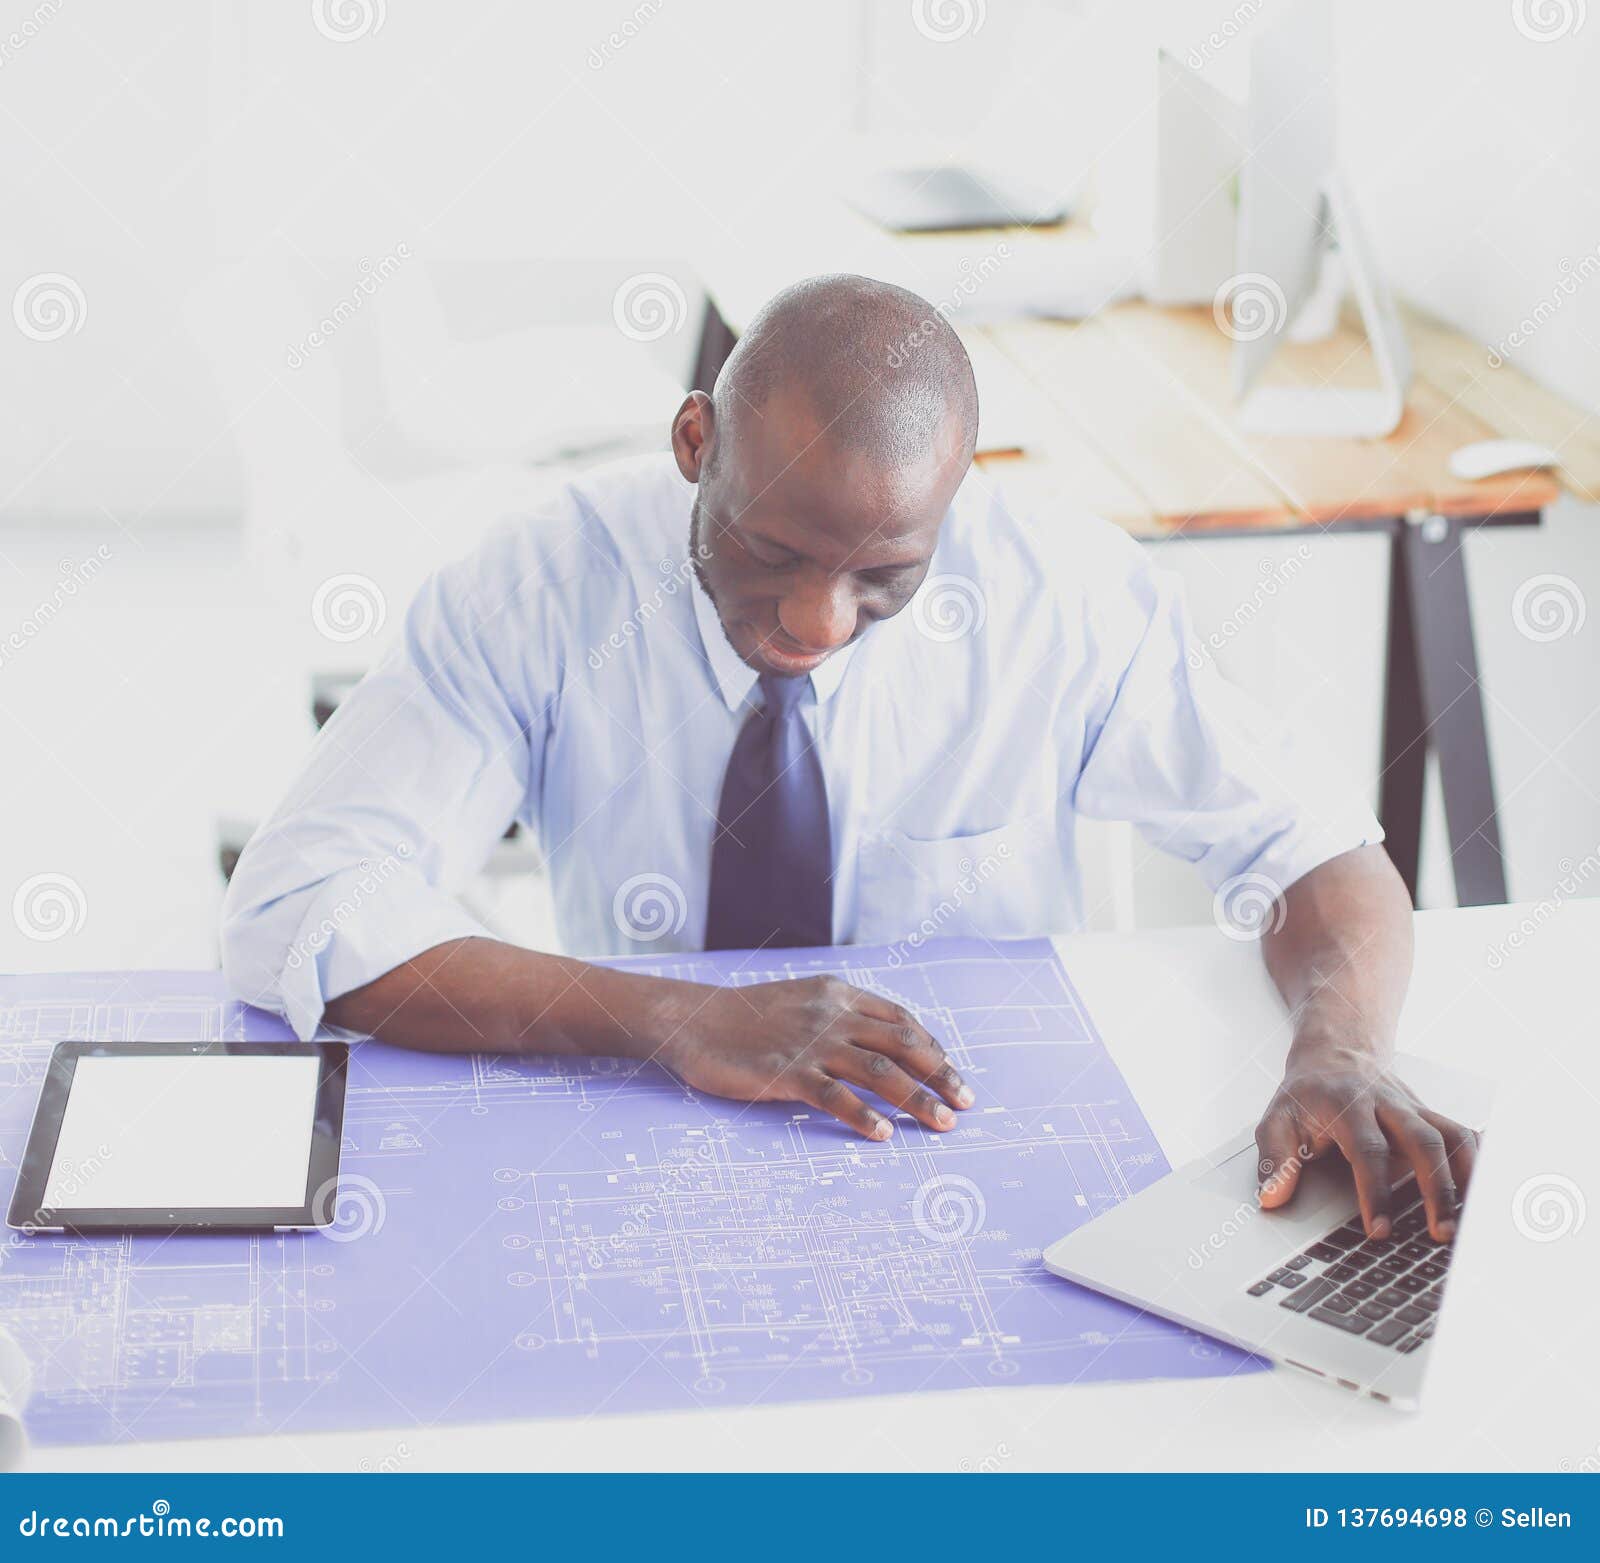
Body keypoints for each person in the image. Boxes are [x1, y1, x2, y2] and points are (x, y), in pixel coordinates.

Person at [223, 273, 1475, 1242]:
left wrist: (1340, 1049)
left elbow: (1312, 847)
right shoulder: (539, 588)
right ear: (694, 443)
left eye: (885, 575)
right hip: (649, 1122)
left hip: (978, 1148)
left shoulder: (1063, 597)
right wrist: (674, 1018)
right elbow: (301, 907)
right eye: (773, 553)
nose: (817, 626)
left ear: (953, 501)